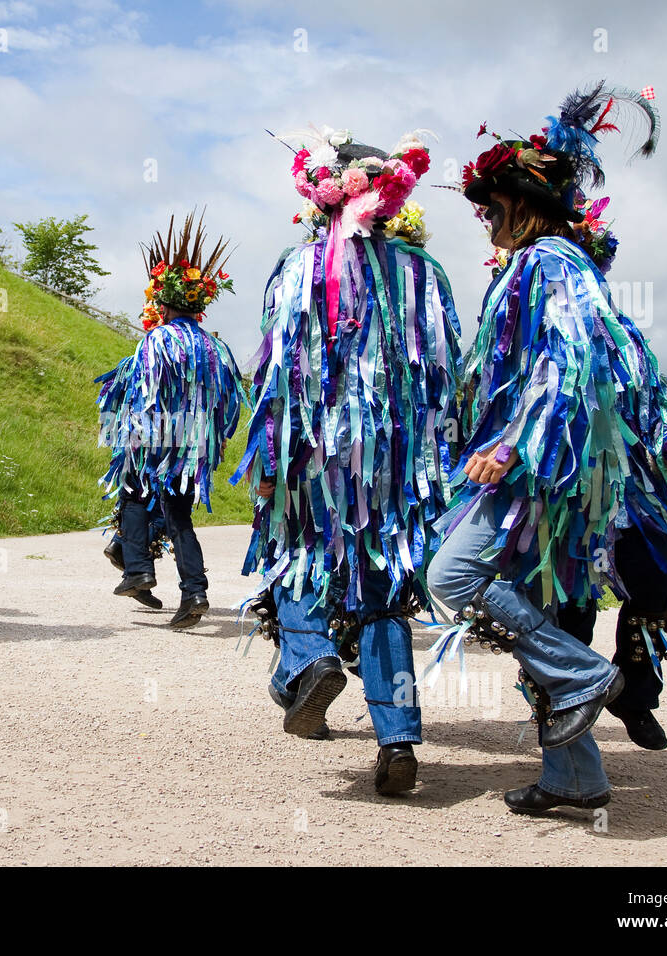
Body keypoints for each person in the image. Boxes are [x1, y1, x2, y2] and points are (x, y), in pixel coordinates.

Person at [426, 83, 664, 815]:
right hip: (539, 469)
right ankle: (575, 776)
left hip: (538, 473)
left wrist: (511, 445)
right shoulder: (538, 265)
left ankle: (585, 675)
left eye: (492, 205)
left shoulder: (551, 261)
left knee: (450, 575)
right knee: (530, 606)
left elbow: (569, 366)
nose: (484, 218)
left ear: (525, 204)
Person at [233, 127, 462, 793]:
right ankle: (396, 739)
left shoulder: (300, 267)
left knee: (301, 563)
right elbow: (446, 378)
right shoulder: (424, 275)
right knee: (384, 597)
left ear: (324, 196)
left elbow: (276, 374)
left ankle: (312, 661)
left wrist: (269, 457)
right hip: (397, 469)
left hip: (313, 462)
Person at [553, 198, 667, 750]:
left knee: (657, 579)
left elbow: (657, 395)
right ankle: (566, 709)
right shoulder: (524, 331)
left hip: (629, 489)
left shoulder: (624, 337)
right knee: (568, 600)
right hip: (559, 494)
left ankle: (634, 695)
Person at [96, 212, 246, 629]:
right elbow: (224, 399)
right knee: (178, 515)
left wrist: (129, 436)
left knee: (131, 492)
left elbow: (143, 390)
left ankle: (138, 568)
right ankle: (194, 590)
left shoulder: (157, 339)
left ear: (164, 303)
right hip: (192, 441)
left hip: (155, 434)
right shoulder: (214, 347)